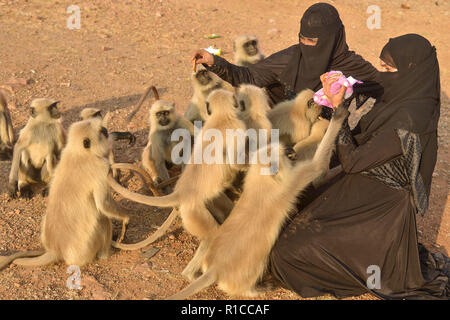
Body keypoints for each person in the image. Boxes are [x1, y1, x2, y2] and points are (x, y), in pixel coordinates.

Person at [269, 34, 449, 300]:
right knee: (288, 211)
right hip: (363, 186)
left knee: (288, 255)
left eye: (389, 69)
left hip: (380, 214)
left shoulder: (410, 118)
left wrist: (340, 108)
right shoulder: (401, 99)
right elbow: (358, 145)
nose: (382, 74)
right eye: (381, 66)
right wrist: (332, 103)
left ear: (411, 71)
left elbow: (352, 161)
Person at [192, 2, 382, 106]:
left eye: (313, 41)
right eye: (302, 39)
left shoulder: (352, 65)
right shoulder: (290, 58)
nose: (306, 46)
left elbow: (387, 88)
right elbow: (248, 76)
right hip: (283, 129)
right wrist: (214, 61)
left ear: (332, 39)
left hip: (326, 137)